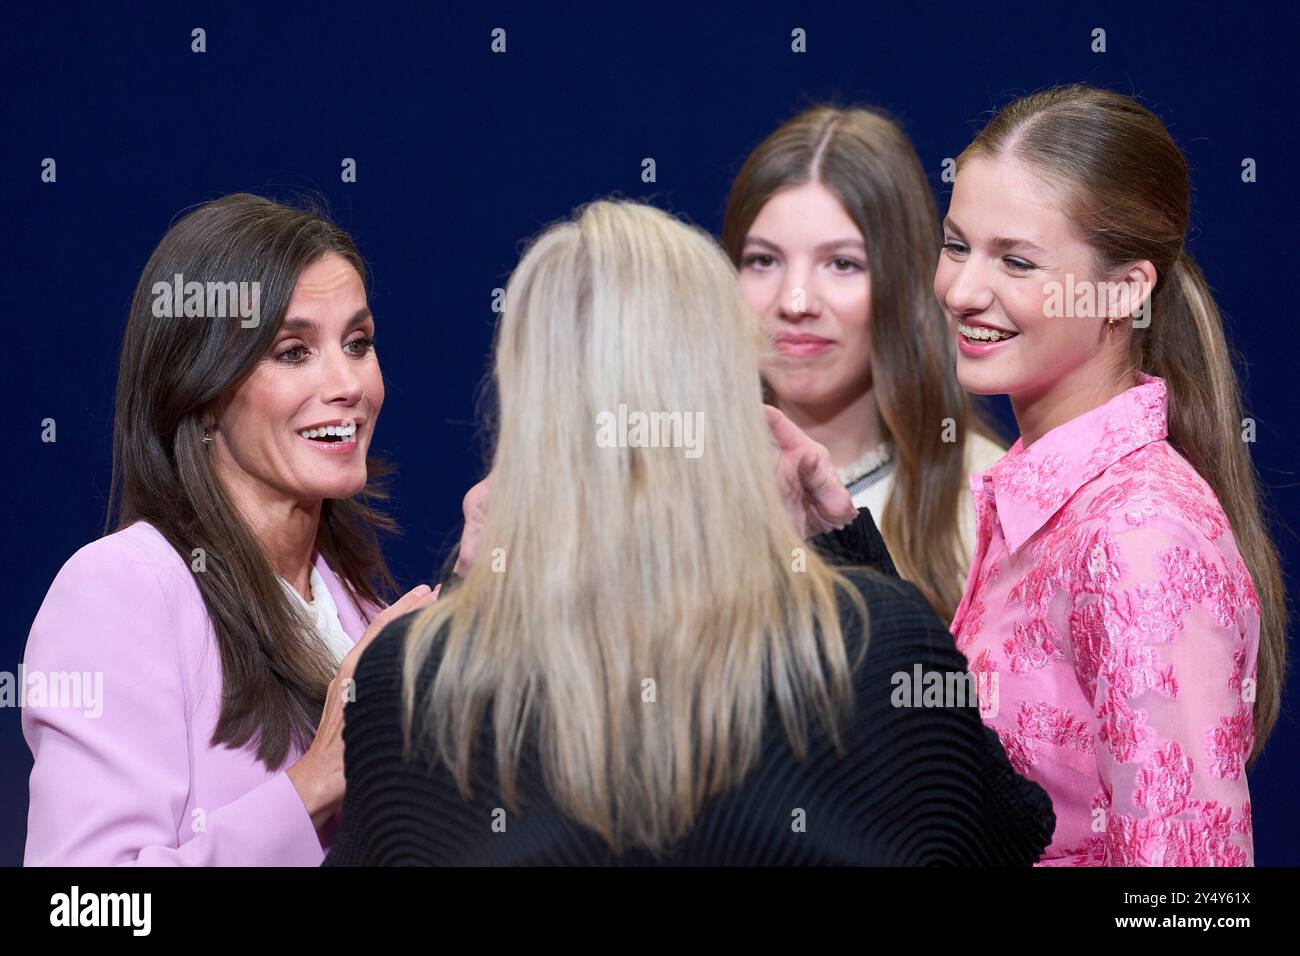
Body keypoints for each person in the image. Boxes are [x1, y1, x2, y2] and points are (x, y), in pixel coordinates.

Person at [324, 199, 1054, 866]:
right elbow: (1014, 834)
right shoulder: (881, 643)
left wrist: (472, 586)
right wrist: (847, 549)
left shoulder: (412, 682)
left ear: (530, 402)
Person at [22, 193, 435, 865]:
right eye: (293, 351)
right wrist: (313, 784)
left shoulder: (369, 619)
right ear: (203, 391)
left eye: (357, 344)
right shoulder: (122, 592)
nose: (348, 384)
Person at [935, 85, 1286, 865]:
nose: (961, 290)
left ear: (1125, 290)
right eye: (956, 245)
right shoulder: (1039, 497)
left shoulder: (1139, 537)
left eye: (1016, 261)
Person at [722, 105, 1008, 622]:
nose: (796, 301)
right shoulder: (676, 480)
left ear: (904, 285)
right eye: (763, 260)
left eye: (842, 264)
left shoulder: (989, 500)